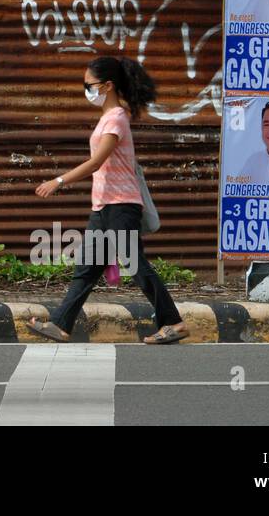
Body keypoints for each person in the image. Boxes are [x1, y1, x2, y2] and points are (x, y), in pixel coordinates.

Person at [27, 56, 190, 345]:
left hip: (121, 205)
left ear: (108, 85)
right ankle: (61, 325)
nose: (86, 90)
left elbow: (96, 162)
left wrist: (58, 181)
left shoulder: (116, 118)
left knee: (135, 265)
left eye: (89, 84)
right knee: (87, 268)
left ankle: (174, 323)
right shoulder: (108, 118)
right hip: (103, 206)